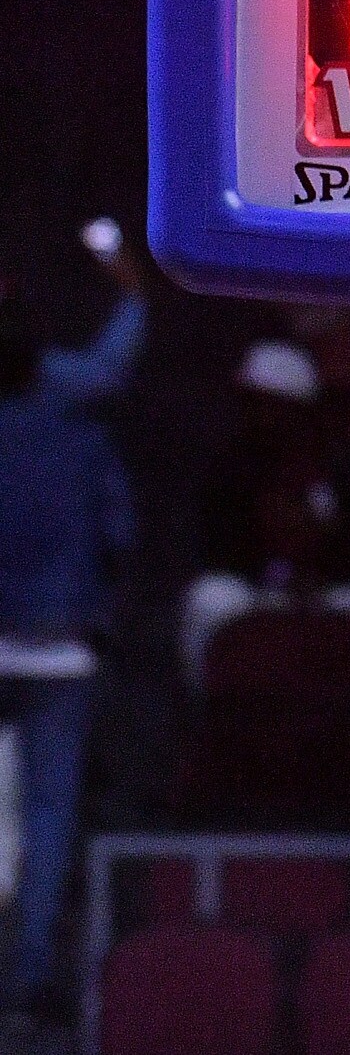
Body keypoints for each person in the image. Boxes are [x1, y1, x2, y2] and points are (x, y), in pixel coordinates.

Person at [0, 222, 143, 1037]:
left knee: (31, 820)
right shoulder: (76, 418)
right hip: (59, 643)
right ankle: (24, 987)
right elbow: (120, 534)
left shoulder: (70, 405)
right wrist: (127, 287)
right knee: (49, 821)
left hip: (49, 646)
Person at [179, 340, 350, 683]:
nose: (258, 415)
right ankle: (207, 715)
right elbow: (218, 552)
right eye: (251, 403)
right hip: (263, 591)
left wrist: (325, 545)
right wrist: (271, 553)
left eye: (268, 404)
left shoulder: (348, 466)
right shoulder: (232, 468)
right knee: (206, 598)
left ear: (298, 408)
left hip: (335, 591)